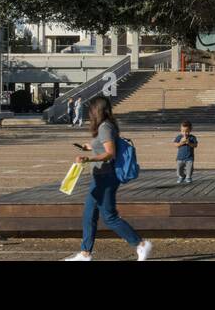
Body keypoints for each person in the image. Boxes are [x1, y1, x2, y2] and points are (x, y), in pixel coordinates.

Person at [65, 95, 153, 261]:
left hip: (106, 177)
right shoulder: (106, 126)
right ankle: (85, 253)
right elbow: (103, 145)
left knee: (110, 217)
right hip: (99, 177)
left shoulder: (105, 127)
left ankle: (140, 244)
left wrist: (89, 158)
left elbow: (110, 153)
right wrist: (88, 147)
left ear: (97, 110)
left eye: (91, 109)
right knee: (89, 214)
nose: (89, 112)